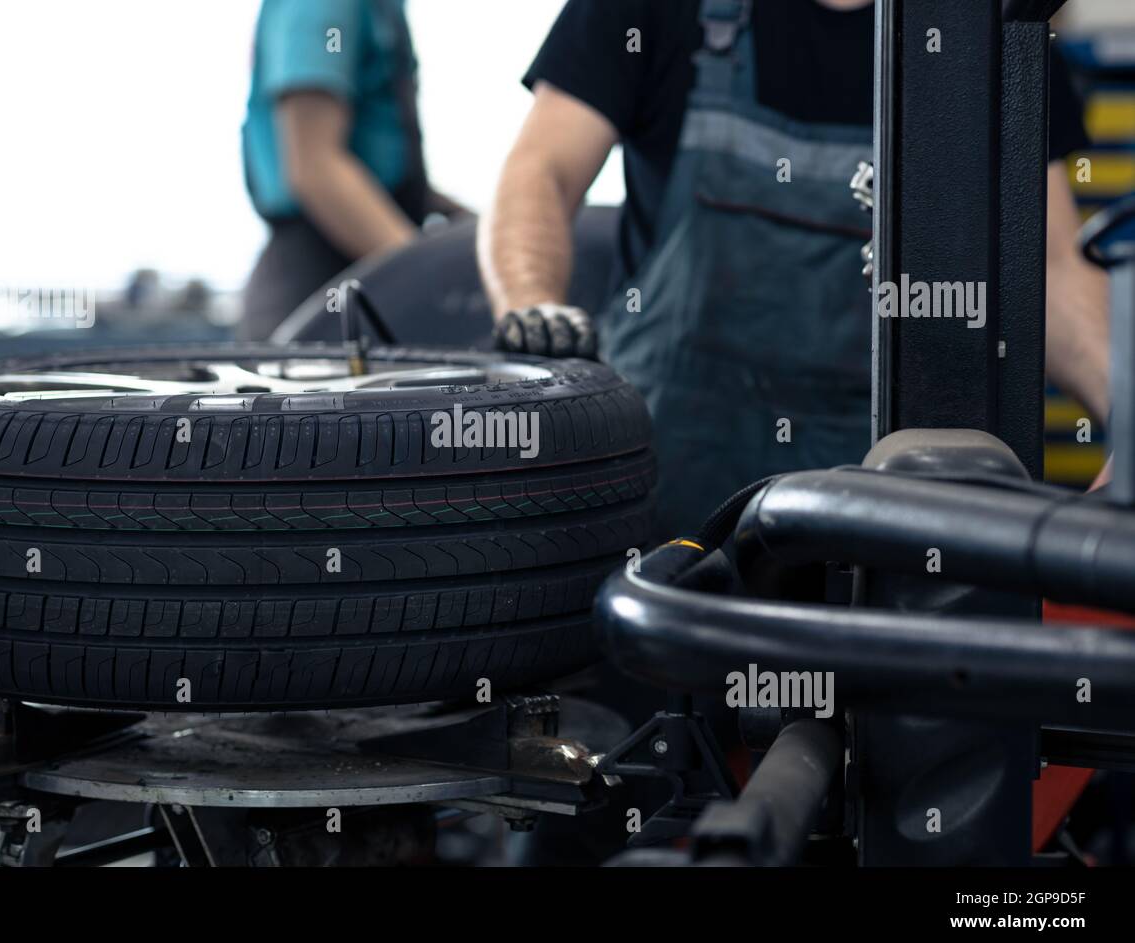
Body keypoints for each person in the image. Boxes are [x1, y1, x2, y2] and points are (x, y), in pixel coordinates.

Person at [479, 0, 1111, 539]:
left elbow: (1048, 271)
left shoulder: (984, 31)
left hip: (880, 519)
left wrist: (1128, 420)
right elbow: (542, 172)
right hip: (661, 499)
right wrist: (533, 306)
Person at [239, 0, 462, 340]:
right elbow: (316, 169)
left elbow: (377, 164)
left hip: (365, 262)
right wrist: (425, 279)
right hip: (322, 274)